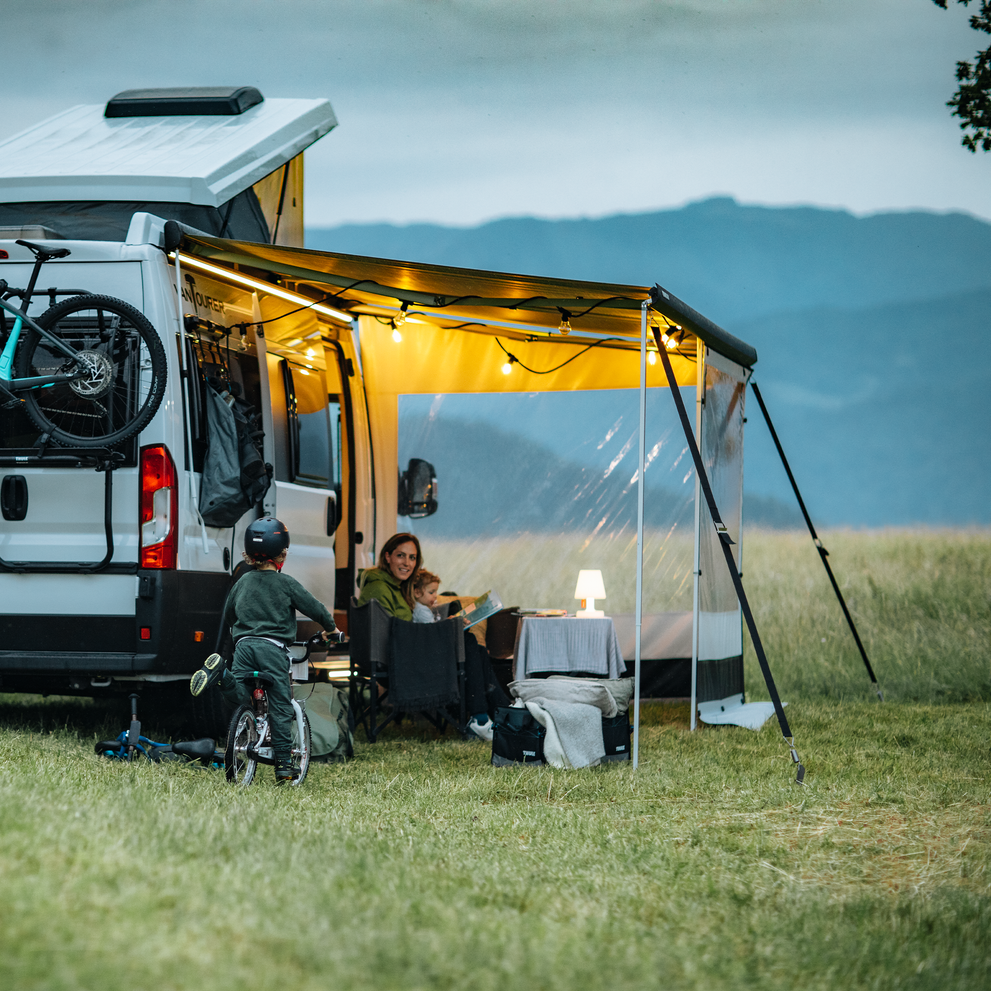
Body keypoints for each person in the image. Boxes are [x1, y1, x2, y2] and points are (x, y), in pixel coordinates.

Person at [189, 516, 340, 783]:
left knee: (241, 695)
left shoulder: (242, 583)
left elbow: (228, 615)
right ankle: (283, 763)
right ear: (283, 554)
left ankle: (223, 676)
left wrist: (243, 630)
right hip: (272, 649)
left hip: (244, 646)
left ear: (247, 555)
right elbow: (316, 608)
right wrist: (331, 629)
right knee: (281, 707)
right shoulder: (286, 584)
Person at [357, 532, 507, 741]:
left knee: (473, 646)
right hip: (399, 659)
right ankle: (490, 715)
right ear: (388, 556)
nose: (407, 563)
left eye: (412, 558)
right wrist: (448, 627)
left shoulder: (394, 585)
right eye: (401, 556)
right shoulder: (379, 588)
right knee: (468, 642)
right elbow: (399, 630)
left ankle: (495, 714)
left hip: (404, 651)